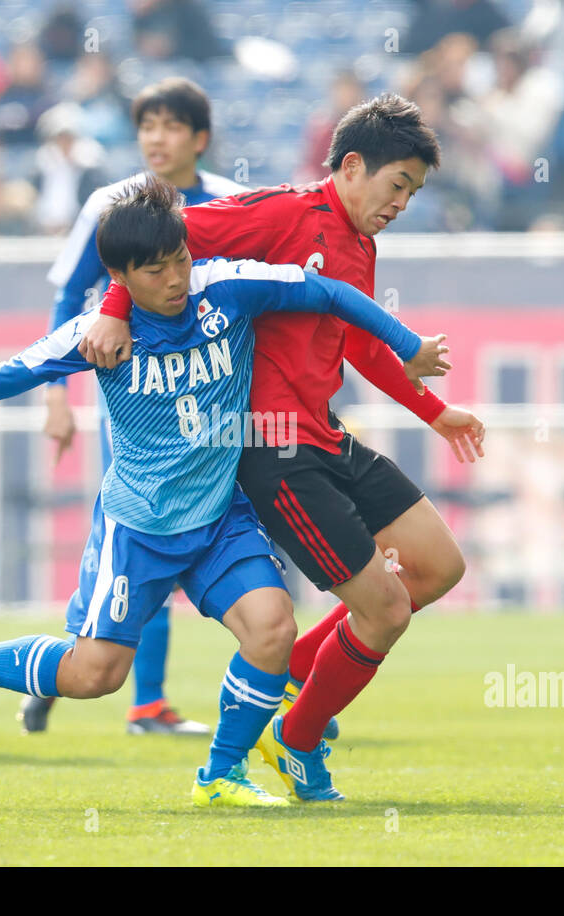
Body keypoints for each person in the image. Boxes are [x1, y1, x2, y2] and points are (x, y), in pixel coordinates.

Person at [0, 178, 449, 806]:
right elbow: (10, 372)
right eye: (157, 270)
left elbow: (330, 292)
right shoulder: (98, 335)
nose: (176, 277)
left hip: (220, 516)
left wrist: (405, 342)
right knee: (95, 675)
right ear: (121, 277)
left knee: (272, 628)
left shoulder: (226, 286)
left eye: (181, 259)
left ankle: (221, 776)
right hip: (140, 526)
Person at [80, 94, 486, 801]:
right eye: (398, 186)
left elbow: (358, 340)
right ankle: (295, 740)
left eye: (414, 193)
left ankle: (297, 673)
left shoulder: (361, 244)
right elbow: (152, 236)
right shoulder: (282, 213)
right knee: (385, 609)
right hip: (273, 452)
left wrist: (435, 411)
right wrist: (115, 309)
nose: (403, 203)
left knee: (437, 566)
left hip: (325, 434)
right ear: (352, 166)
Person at [31, 76, 246, 736]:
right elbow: (70, 300)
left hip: (219, 409)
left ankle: (60, 663)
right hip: (143, 409)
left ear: (200, 139)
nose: (157, 137)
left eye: (172, 126)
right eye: (147, 125)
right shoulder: (110, 202)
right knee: (147, 541)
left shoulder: (236, 205)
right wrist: (57, 398)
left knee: (233, 543)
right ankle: (144, 702)